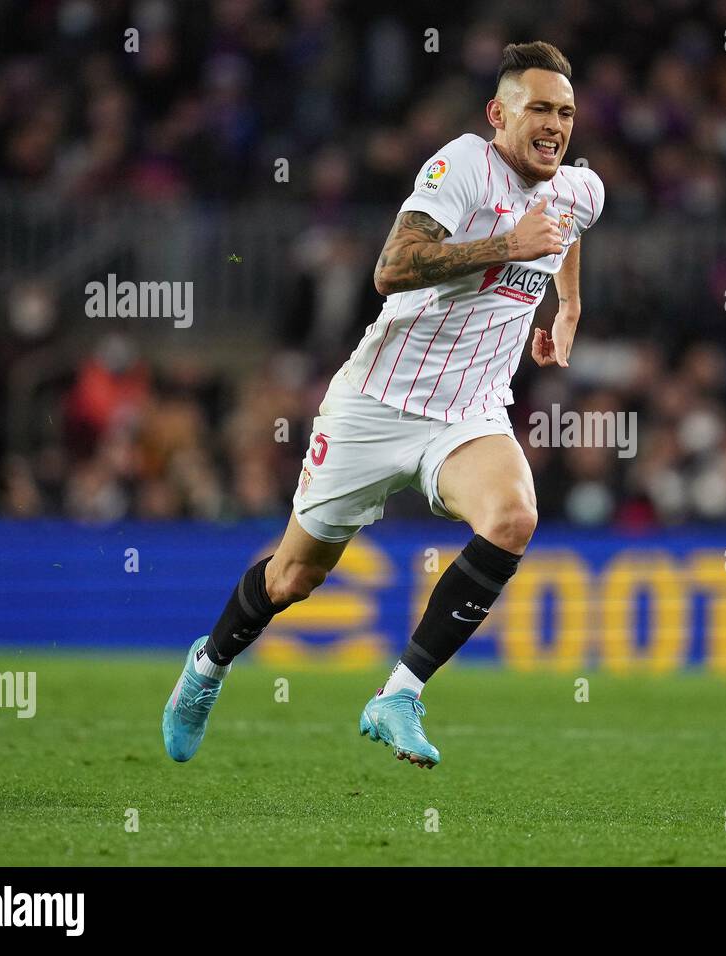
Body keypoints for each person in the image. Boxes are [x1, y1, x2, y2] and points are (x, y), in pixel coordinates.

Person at [162, 40, 603, 767]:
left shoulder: (579, 189)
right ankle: (207, 668)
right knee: (295, 576)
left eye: (566, 112)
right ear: (499, 114)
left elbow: (573, 226)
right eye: (538, 109)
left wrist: (569, 306)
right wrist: (507, 246)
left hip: (469, 414)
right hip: (376, 404)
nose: (555, 124)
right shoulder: (462, 165)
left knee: (514, 515)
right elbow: (391, 269)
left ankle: (398, 694)